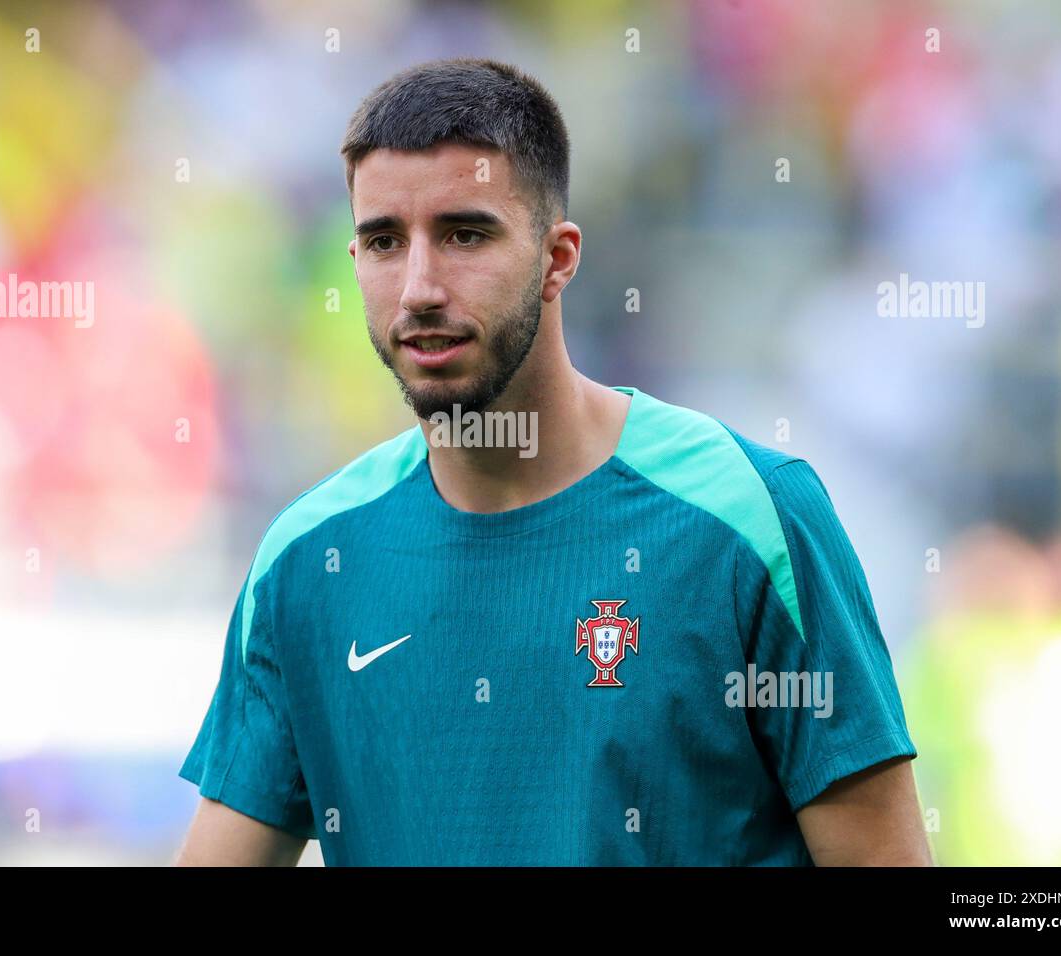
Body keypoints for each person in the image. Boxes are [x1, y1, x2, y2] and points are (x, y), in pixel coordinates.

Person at [175, 57, 932, 866]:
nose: (420, 286)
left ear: (558, 257)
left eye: (465, 234)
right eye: (385, 242)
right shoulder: (308, 561)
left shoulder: (750, 517)